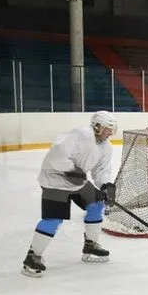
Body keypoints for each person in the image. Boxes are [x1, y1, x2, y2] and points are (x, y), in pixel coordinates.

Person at [21, 111, 118, 277]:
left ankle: (90, 245)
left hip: (77, 182)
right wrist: (71, 171)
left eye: (112, 129)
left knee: (96, 203)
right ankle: (32, 257)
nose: (111, 133)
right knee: (53, 219)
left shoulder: (105, 147)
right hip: (55, 180)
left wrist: (106, 185)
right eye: (108, 129)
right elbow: (56, 155)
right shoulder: (80, 134)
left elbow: (101, 171)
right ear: (97, 126)